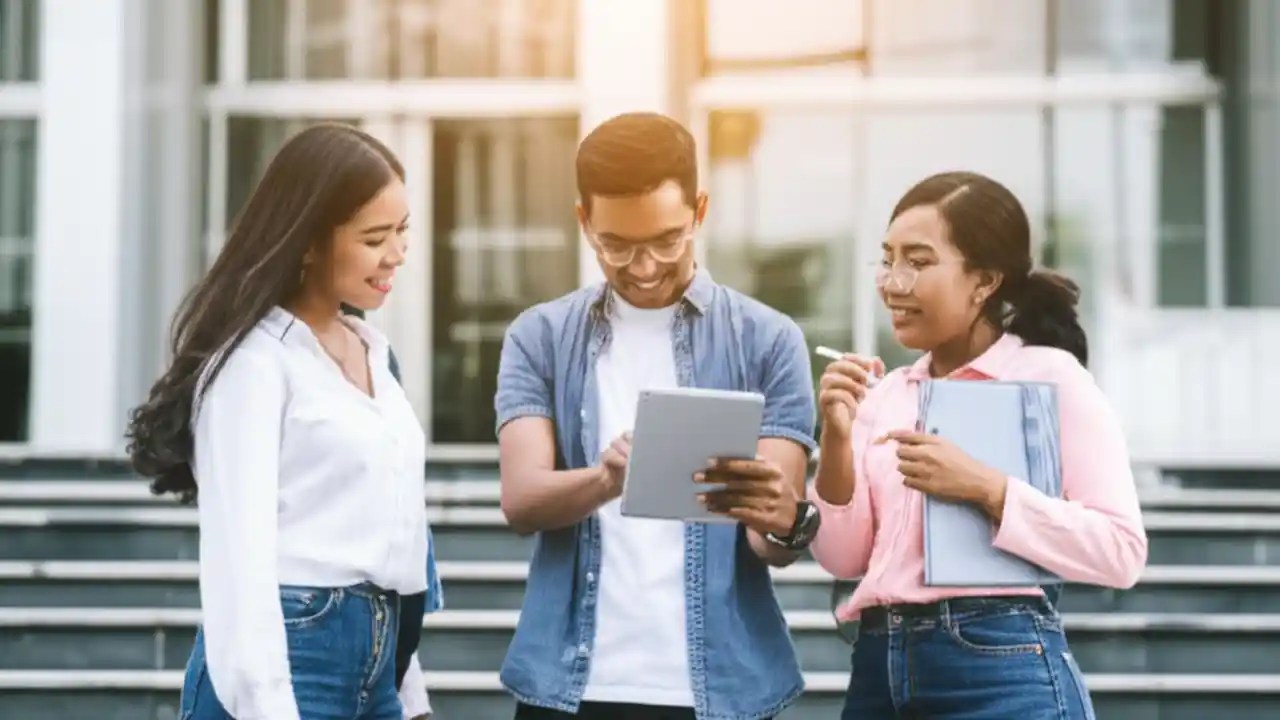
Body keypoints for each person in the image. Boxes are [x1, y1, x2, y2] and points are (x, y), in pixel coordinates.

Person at [494, 112, 822, 720]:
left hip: (719, 689)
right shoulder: (539, 337)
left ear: (699, 211)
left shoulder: (769, 341)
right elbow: (521, 500)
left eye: (667, 240)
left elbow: (770, 543)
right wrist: (609, 479)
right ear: (583, 221)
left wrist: (785, 520)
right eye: (615, 245)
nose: (643, 267)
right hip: (572, 688)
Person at [808, 171, 1149, 719]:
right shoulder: (887, 394)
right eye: (887, 258)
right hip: (879, 670)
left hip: (999, 666)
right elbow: (841, 555)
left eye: (918, 262)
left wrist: (985, 489)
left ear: (984, 281)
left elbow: (1121, 551)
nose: (893, 282)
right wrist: (839, 441)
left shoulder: (1047, 377)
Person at [124, 123, 432, 720]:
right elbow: (240, 563)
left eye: (402, 231)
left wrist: (410, 695)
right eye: (374, 238)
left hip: (378, 658)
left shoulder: (374, 353)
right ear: (309, 241)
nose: (396, 253)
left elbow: (388, 536)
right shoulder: (253, 364)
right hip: (290, 658)